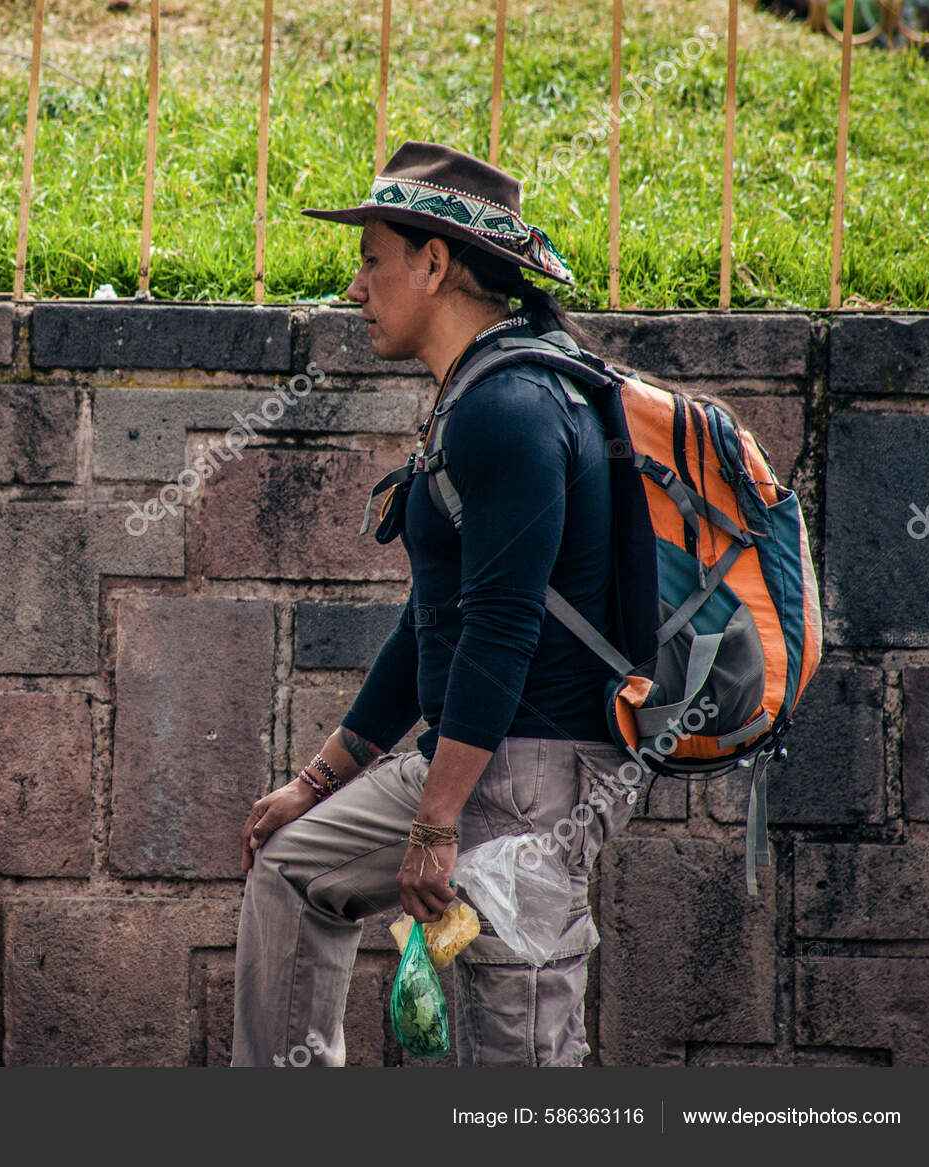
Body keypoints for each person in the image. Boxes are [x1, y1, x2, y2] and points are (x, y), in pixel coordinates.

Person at [232, 140, 636, 1067]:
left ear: (435, 261)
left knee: (516, 1056)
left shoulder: (516, 406)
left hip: (529, 774)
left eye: (372, 261)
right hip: (469, 758)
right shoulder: (477, 396)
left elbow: (502, 629)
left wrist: (435, 825)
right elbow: (434, 623)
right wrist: (318, 781)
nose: (354, 289)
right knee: (294, 865)